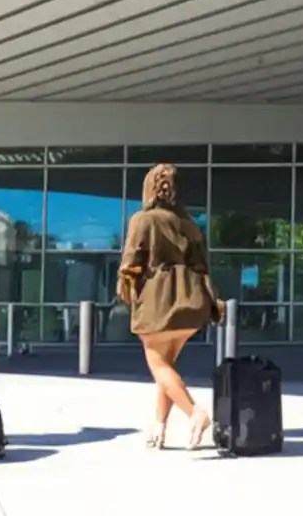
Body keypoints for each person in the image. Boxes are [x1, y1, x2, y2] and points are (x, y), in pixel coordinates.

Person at [117, 164, 222, 450]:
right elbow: (204, 265)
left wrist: (127, 292)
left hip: (158, 302)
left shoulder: (143, 219)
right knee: (167, 368)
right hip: (190, 304)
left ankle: (195, 413)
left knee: (158, 364)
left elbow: (130, 263)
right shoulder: (190, 225)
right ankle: (160, 427)